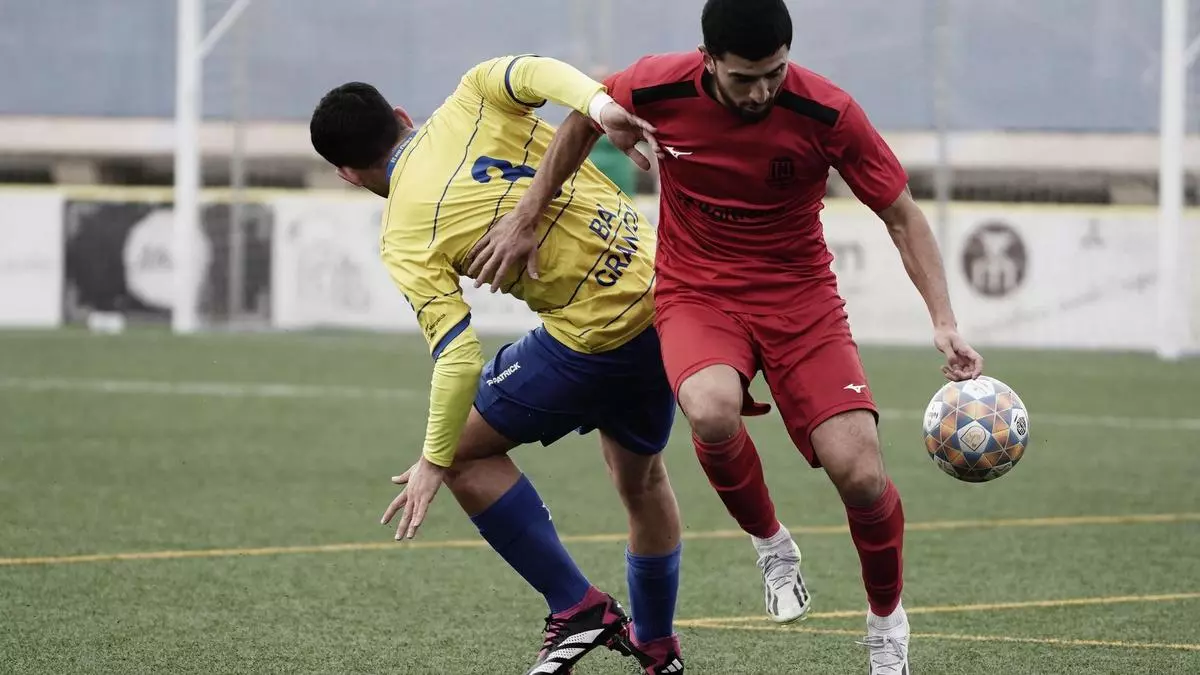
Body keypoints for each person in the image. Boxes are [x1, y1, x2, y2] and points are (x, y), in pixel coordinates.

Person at [467, 1, 986, 673]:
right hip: (696, 291)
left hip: (802, 299)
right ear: (708, 60)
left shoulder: (828, 112)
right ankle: (771, 543)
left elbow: (902, 216)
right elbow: (579, 124)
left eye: (774, 73)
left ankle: (887, 627)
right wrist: (531, 214)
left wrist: (943, 320)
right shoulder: (654, 86)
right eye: (746, 79)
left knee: (859, 472)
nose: (762, 90)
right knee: (709, 410)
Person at [308, 54, 685, 675]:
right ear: (402, 116)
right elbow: (542, 73)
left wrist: (434, 459)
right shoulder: (473, 94)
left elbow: (458, 355)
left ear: (348, 175)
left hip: (596, 341)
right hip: (666, 295)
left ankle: (578, 607)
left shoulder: (404, 234)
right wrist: (601, 106)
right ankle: (658, 645)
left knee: (462, 450)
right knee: (641, 482)